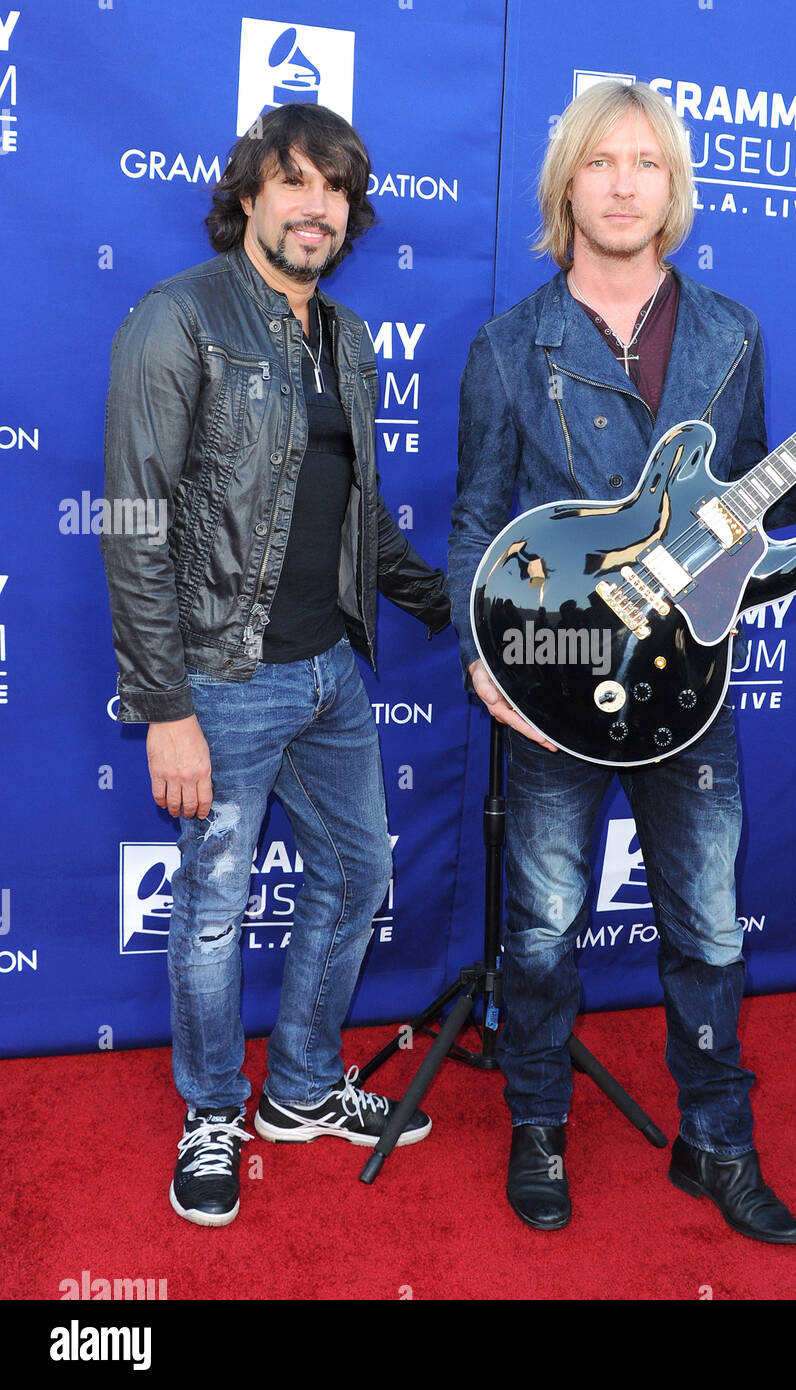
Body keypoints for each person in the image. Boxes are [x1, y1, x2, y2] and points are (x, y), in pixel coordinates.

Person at [447, 81, 796, 1240]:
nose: (624, 183)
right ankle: (539, 1122)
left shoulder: (731, 333)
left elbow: (748, 506)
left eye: (645, 162)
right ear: (567, 186)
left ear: (673, 185)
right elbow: (476, 519)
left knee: (710, 928)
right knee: (543, 926)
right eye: (601, 162)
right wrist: (486, 660)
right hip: (555, 675)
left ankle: (715, 1142)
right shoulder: (508, 346)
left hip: (689, 680)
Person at [102, 104, 451, 1227]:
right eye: (295, 181)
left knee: (357, 873)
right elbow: (133, 523)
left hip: (332, 672)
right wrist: (164, 706)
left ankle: (300, 1086)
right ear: (248, 194)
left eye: (336, 189)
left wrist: (466, 608)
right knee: (213, 908)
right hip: (220, 677)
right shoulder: (179, 317)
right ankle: (214, 1110)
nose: (317, 207)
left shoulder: (345, 336)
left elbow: (361, 517)